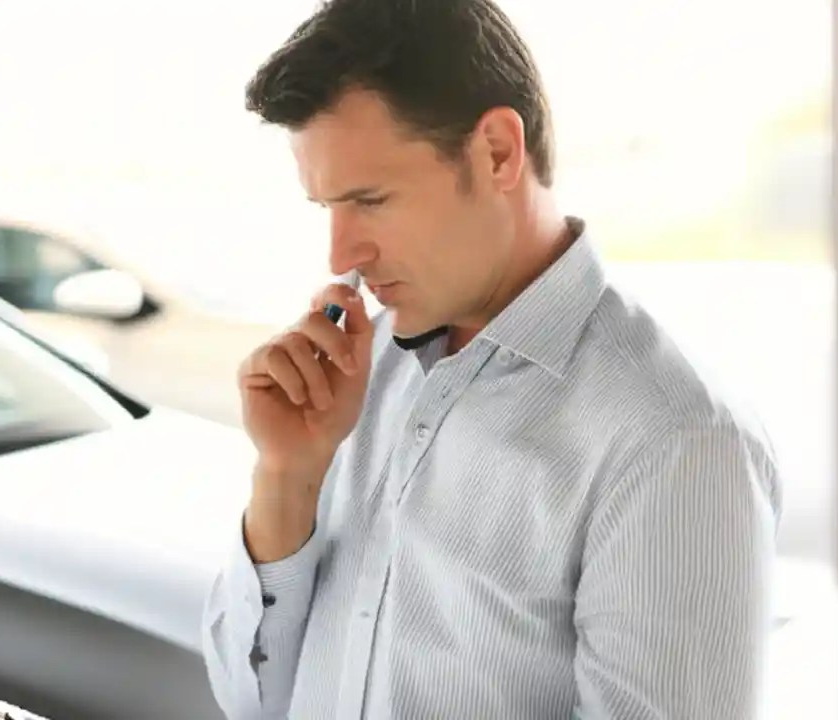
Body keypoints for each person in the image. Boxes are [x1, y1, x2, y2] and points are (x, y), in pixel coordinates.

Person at [200, 0, 783, 718]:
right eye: (327, 207)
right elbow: (249, 701)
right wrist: (287, 478)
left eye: (371, 200)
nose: (341, 254)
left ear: (499, 152)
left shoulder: (674, 441)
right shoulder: (355, 373)